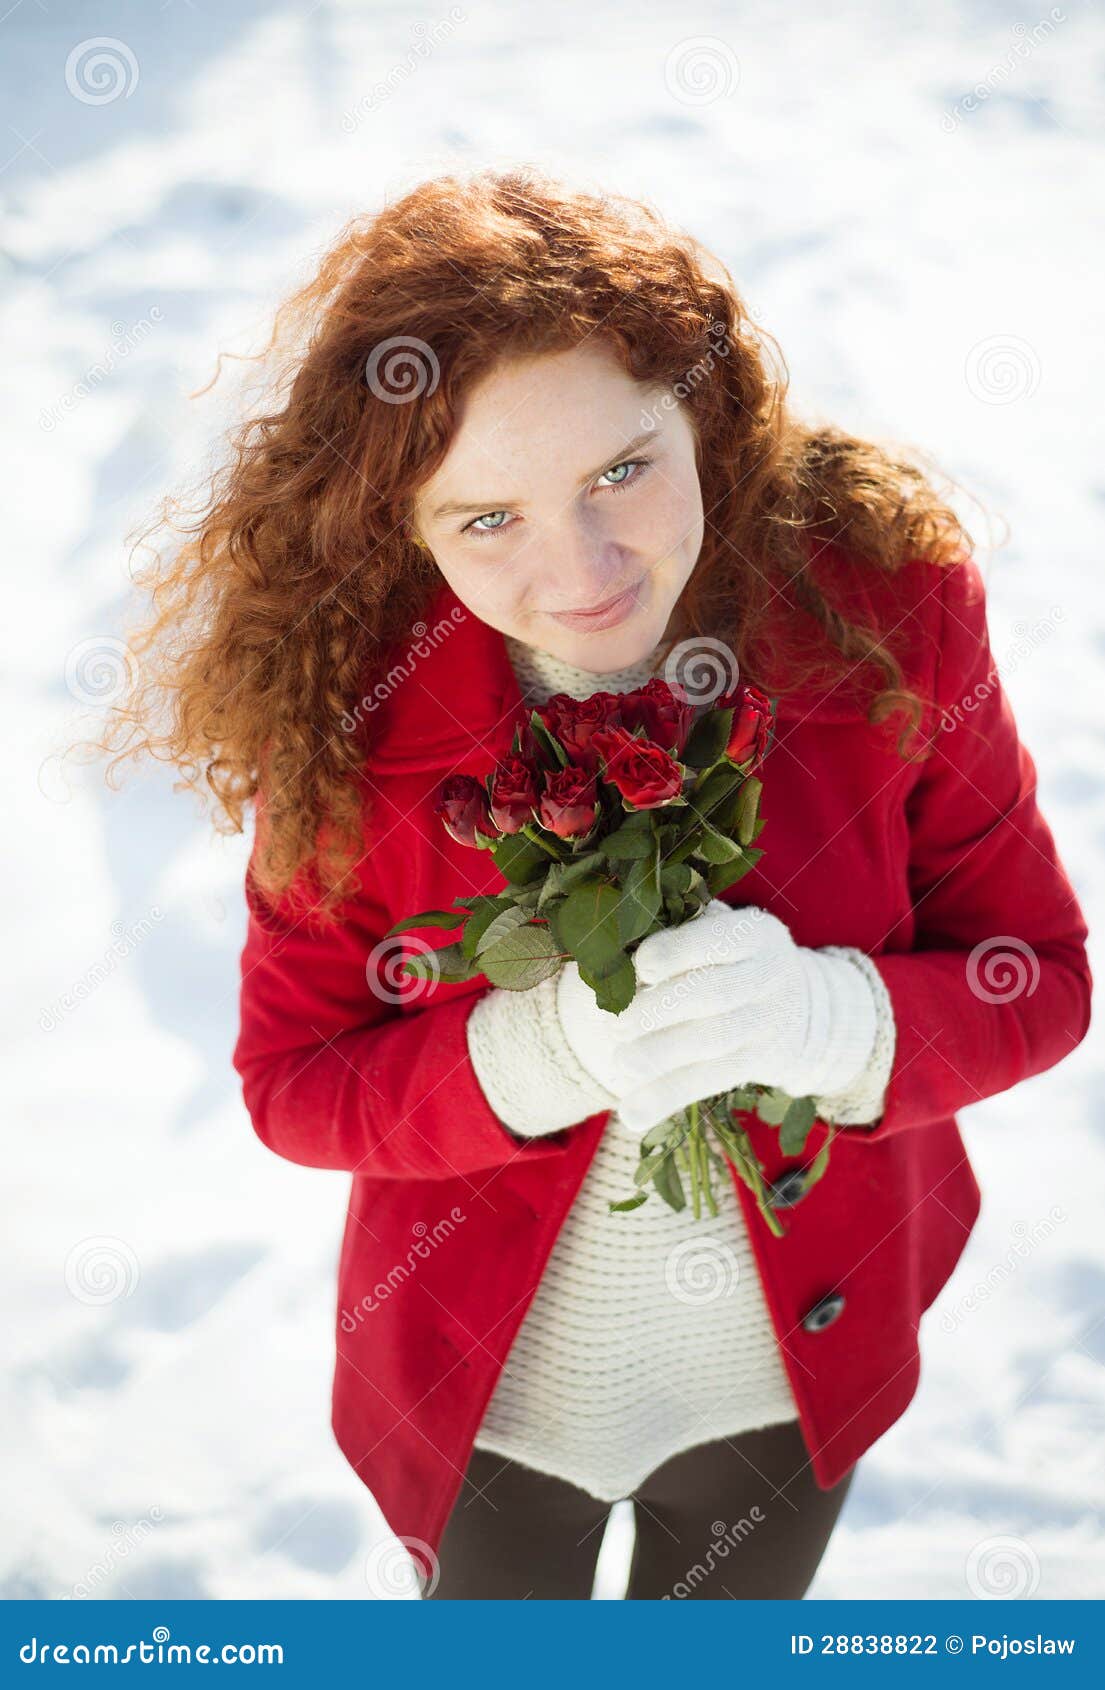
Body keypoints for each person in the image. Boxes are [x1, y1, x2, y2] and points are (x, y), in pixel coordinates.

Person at [88, 165, 1093, 1600]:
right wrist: (536, 1053)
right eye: (485, 519)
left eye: (622, 471)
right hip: (497, 1409)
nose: (582, 571)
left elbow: (1035, 979)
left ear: (708, 411)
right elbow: (295, 1078)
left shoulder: (882, 604)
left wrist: (833, 1021)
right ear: (404, 524)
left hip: (790, 1382)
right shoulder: (355, 706)